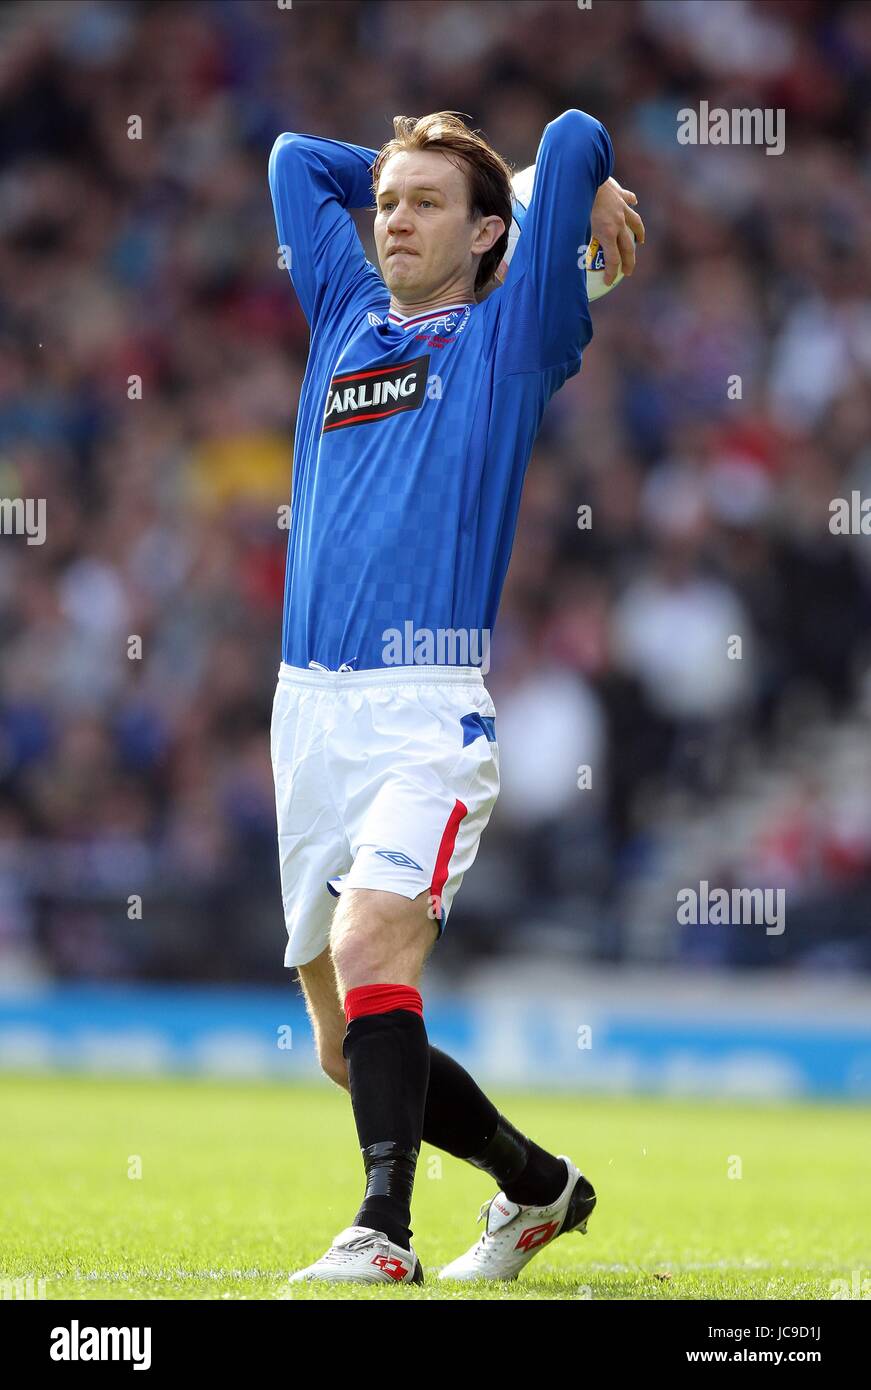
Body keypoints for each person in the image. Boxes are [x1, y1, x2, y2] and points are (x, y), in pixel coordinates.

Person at [267, 107, 643, 1284]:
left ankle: (382, 1232)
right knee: (343, 1046)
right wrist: (416, 168)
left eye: (428, 205)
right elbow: (291, 161)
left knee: (377, 936)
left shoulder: (507, 337)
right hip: (306, 712)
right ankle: (539, 1189)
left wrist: (548, 190)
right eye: (385, 201)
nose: (391, 218)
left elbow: (578, 131)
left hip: (424, 711)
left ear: (492, 236)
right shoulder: (342, 311)